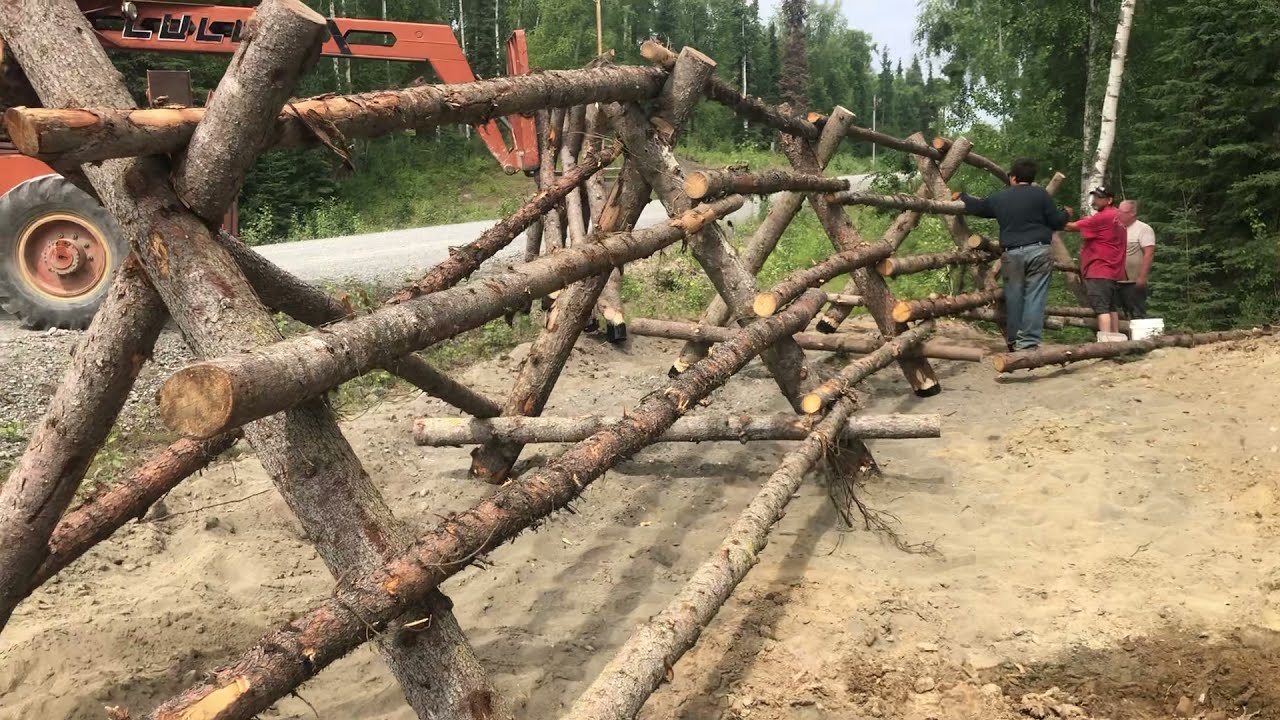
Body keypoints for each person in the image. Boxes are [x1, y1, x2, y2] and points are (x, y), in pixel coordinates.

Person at [956, 158, 1070, 352]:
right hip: (1039, 250)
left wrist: (962, 196)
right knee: (1035, 296)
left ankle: (1014, 340)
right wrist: (1065, 213)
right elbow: (1056, 222)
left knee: (1014, 296)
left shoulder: (1001, 197)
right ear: (1031, 178)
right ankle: (1029, 342)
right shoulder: (1041, 195)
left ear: (1013, 177)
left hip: (1013, 253)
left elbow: (979, 207)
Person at [1063, 186, 1127, 339]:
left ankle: (1105, 344)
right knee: (1111, 308)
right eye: (1094, 197)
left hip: (1099, 269)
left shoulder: (1102, 217)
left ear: (1109, 200)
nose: (1095, 201)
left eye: (1099, 198)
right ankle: (1116, 341)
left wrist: (1059, 216)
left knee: (1101, 310)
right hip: (1113, 270)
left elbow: (1069, 227)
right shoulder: (1118, 216)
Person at [1115, 199, 1155, 319]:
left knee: (1137, 312)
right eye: (1118, 211)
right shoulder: (1116, 228)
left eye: (1122, 212)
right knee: (1118, 312)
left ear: (1132, 213)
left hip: (1133, 281)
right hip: (1116, 279)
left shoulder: (1143, 229)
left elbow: (1149, 254)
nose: (1119, 215)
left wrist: (1142, 278)